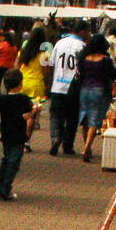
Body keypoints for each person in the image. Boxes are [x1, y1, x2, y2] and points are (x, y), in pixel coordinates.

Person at [0, 67, 36, 201]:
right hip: (18, 133)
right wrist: (35, 110)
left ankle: (0, 182)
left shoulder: (2, 99)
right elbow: (28, 115)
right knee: (14, 161)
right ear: (20, 83)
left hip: (6, 132)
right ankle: (6, 186)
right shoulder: (23, 99)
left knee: (6, 157)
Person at [77, 32, 116, 162]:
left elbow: (81, 74)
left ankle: (87, 148)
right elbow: (114, 75)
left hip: (84, 90)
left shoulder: (84, 58)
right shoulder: (105, 60)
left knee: (85, 120)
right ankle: (86, 148)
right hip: (99, 91)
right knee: (94, 121)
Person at [48, 21, 88, 156]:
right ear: (82, 32)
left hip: (58, 87)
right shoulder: (83, 46)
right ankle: (67, 145)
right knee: (72, 118)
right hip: (74, 88)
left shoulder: (60, 43)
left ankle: (55, 137)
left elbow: (52, 63)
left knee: (55, 116)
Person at [0, 29, 16, 106]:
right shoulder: (14, 47)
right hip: (9, 67)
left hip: (0, 66)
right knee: (8, 85)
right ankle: (8, 100)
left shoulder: (1, 45)